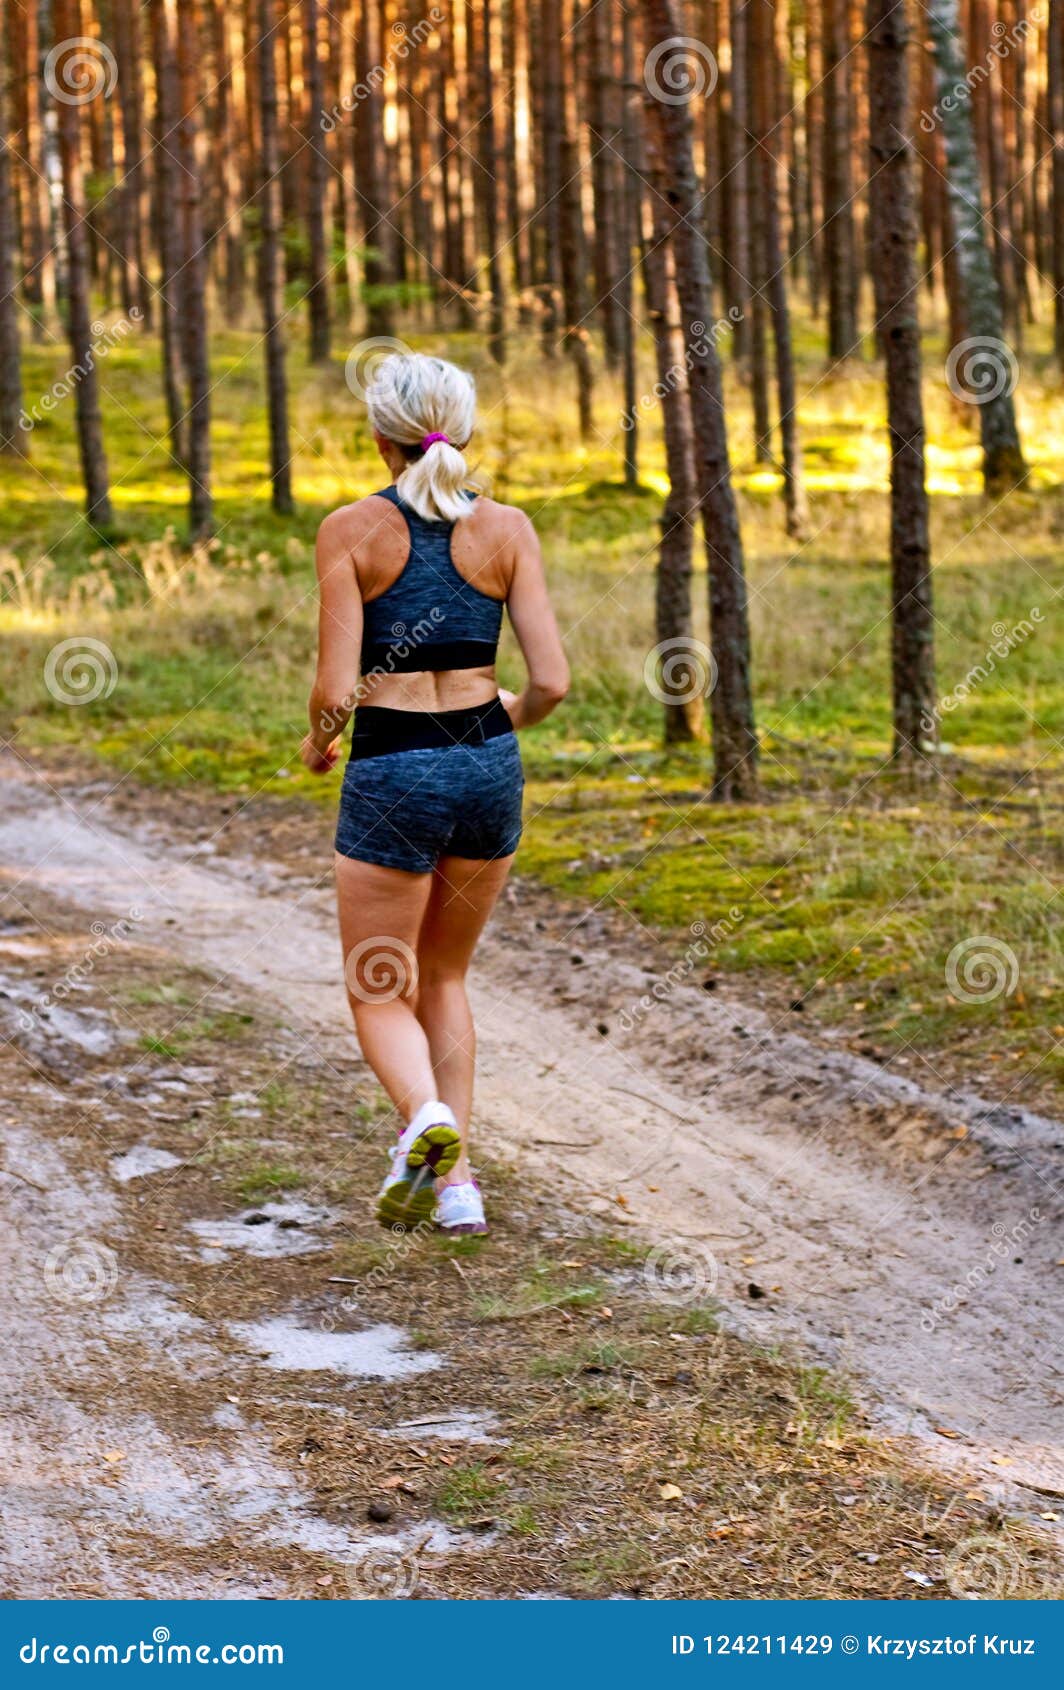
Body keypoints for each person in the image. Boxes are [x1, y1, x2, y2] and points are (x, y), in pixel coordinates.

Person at [300, 353, 569, 1236]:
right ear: (464, 427)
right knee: (446, 976)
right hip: (487, 762)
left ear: (378, 435)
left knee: (378, 986)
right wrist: (509, 718)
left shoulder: (350, 530)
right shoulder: (510, 529)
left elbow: (337, 690)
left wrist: (320, 741)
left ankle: (426, 1121)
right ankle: (457, 1190)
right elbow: (553, 683)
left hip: (393, 769)